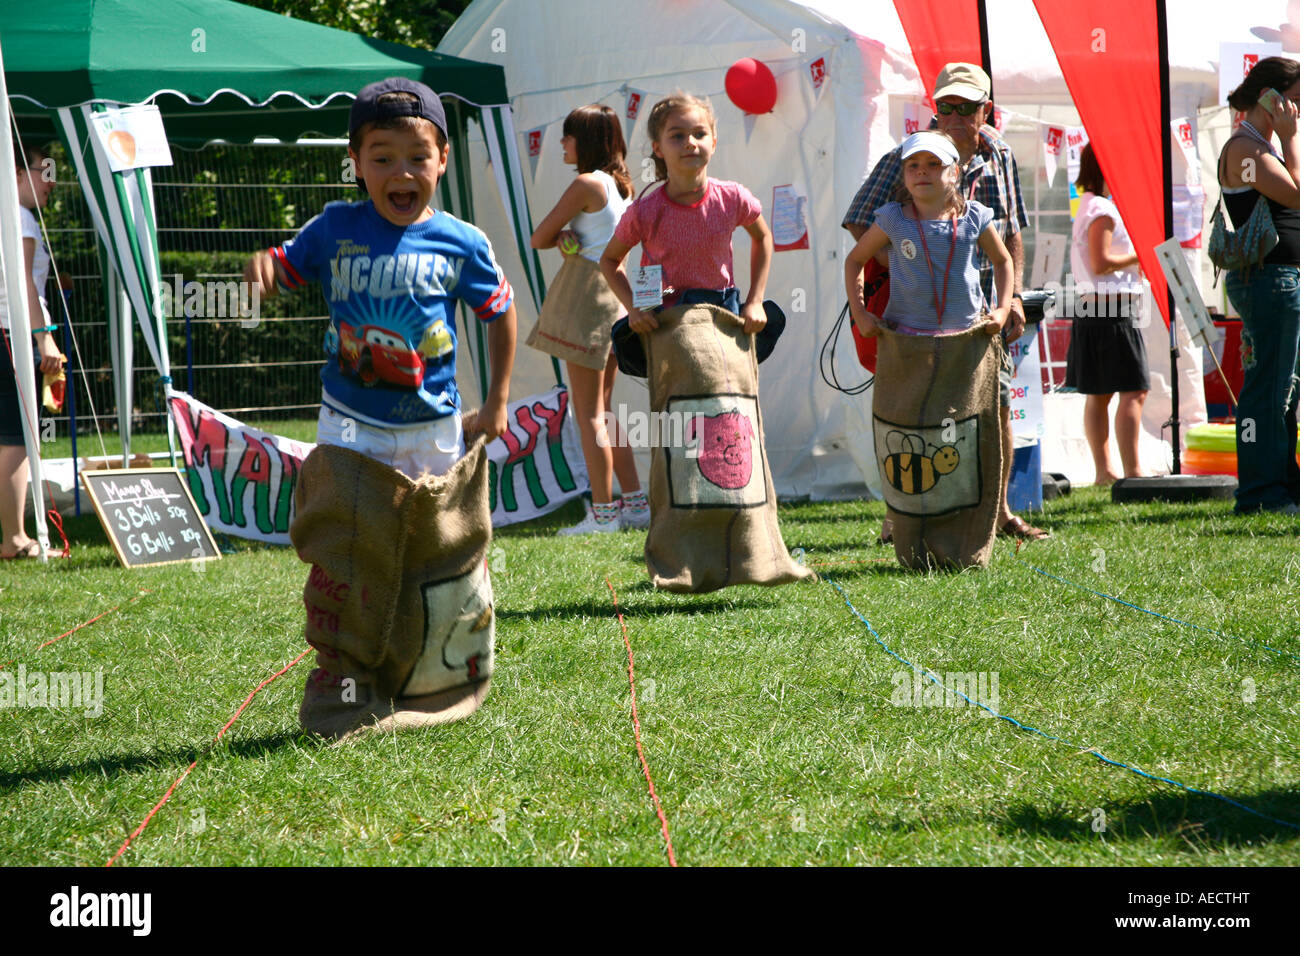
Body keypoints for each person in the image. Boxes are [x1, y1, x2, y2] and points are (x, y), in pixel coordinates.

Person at [244, 77, 517, 471]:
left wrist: (498, 400)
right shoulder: (333, 226)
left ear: (442, 158)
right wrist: (263, 271)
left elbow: (502, 311)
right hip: (348, 424)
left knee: (433, 531)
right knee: (345, 527)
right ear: (355, 162)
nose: (402, 174)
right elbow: (280, 267)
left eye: (417, 158)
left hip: (434, 429)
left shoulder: (464, 242)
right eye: (383, 159)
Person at [843, 62, 1046, 540]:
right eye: (945, 106)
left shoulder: (999, 154)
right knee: (908, 413)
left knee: (993, 408)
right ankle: (901, 517)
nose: (954, 115)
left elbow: (1011, 234)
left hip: (978, 317)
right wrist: (907, 263)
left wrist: (1011, 298)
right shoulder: (906, 155)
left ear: (986, 110)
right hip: (911, 320)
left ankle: (997, 515)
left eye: (966, 107)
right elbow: (858, 221)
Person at [529, 104, 647, 534]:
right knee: (607, 411)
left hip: (586, 299)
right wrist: (569, 237)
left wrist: (561, 236)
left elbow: (538, 237)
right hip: (615, 300)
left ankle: (603, 512)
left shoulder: (586, 184)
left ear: (587, 140)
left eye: (569, 135)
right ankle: (634, 503)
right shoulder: (622, 187)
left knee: (588, 414)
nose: (563, 143)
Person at [600, 92, 773, 341]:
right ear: (658, 148)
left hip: (722, 320)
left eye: (699, 134)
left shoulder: (733, 197)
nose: (690, 142)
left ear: (713, 143)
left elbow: (764, 237)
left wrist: (755, 301)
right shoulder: (644, 211)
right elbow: (609, 259)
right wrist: (634, 308)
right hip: (665, 326)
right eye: (677, 135)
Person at [1217, 56, 1300, 515]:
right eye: (1297, 101)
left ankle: (1282, 484)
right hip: (1269, 281)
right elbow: (1297, 193)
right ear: (1271, 96)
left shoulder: (1256, 146)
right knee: (1268, 388)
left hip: (1279, 280)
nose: (1299, 112)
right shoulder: (1246, 151)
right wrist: (1290, 140)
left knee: (1282, 388)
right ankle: (1260, 492)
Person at [845, 130, 1011, 346]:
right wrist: (860, 314)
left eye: (933, 163)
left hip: (967, 341)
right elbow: (854, 261)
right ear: (903, 174)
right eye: (913, 165)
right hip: (904, 343)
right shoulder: (892, 218)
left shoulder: (974, 217)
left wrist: (1003, 309)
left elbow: (1003, 260)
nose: (921, 171)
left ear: (954, 172)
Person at [1065, 142, 1149, 485]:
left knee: (1099, 393)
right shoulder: (1102, 208)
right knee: (1134, 389)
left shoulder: (1087, 204)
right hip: (1111, 310)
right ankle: (1132, 472)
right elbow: (1101, 262)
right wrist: (1138, 256)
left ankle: (1107, 472)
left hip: (1093, 309)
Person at [1, 141, 65, 560]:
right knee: (16, 437)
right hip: (13, 334)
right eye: (45, 171)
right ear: (18, 173)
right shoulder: (21, 218)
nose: (52, 182)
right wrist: (45, 337)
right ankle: (15, 538)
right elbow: (24, 285)